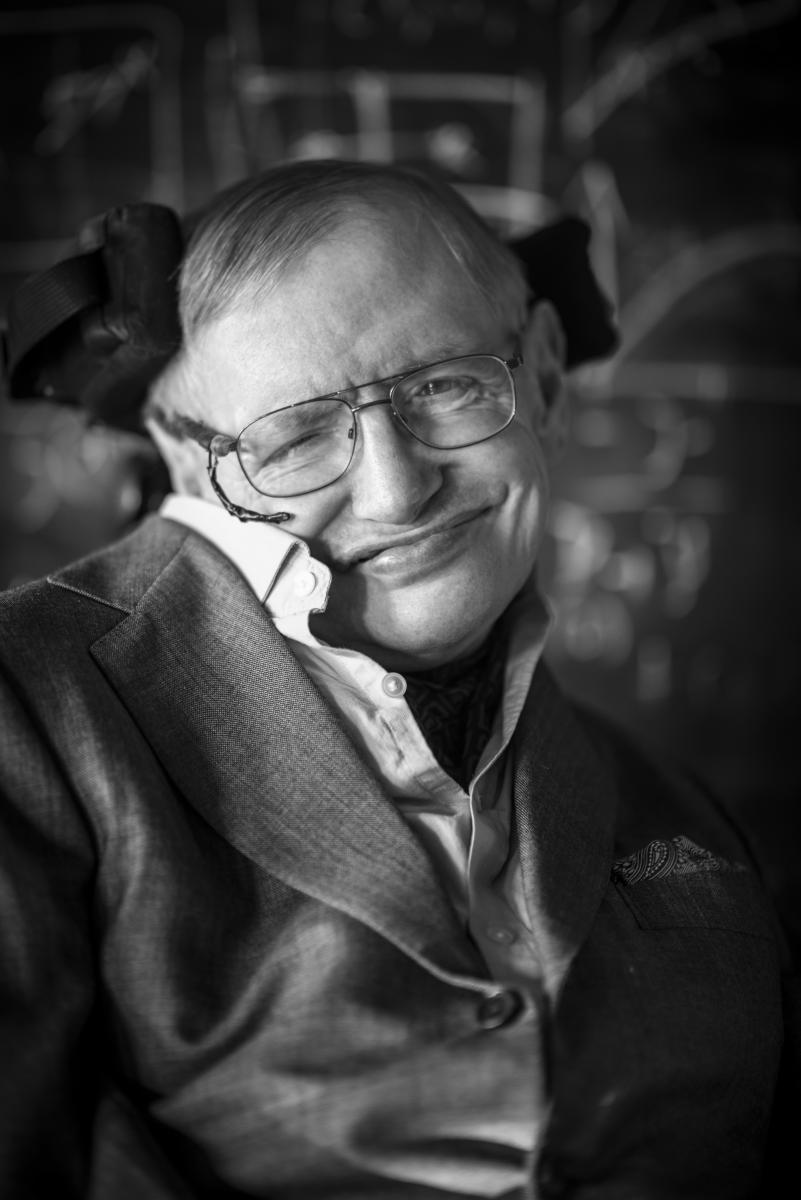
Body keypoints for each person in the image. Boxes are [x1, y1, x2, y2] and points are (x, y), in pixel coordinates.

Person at [0, 158, 796, 1200]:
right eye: (291, 436)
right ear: (190, 465)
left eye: (444, 386)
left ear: (544, 375)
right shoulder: (29, 711)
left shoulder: (678, 801)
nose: (398, 486)